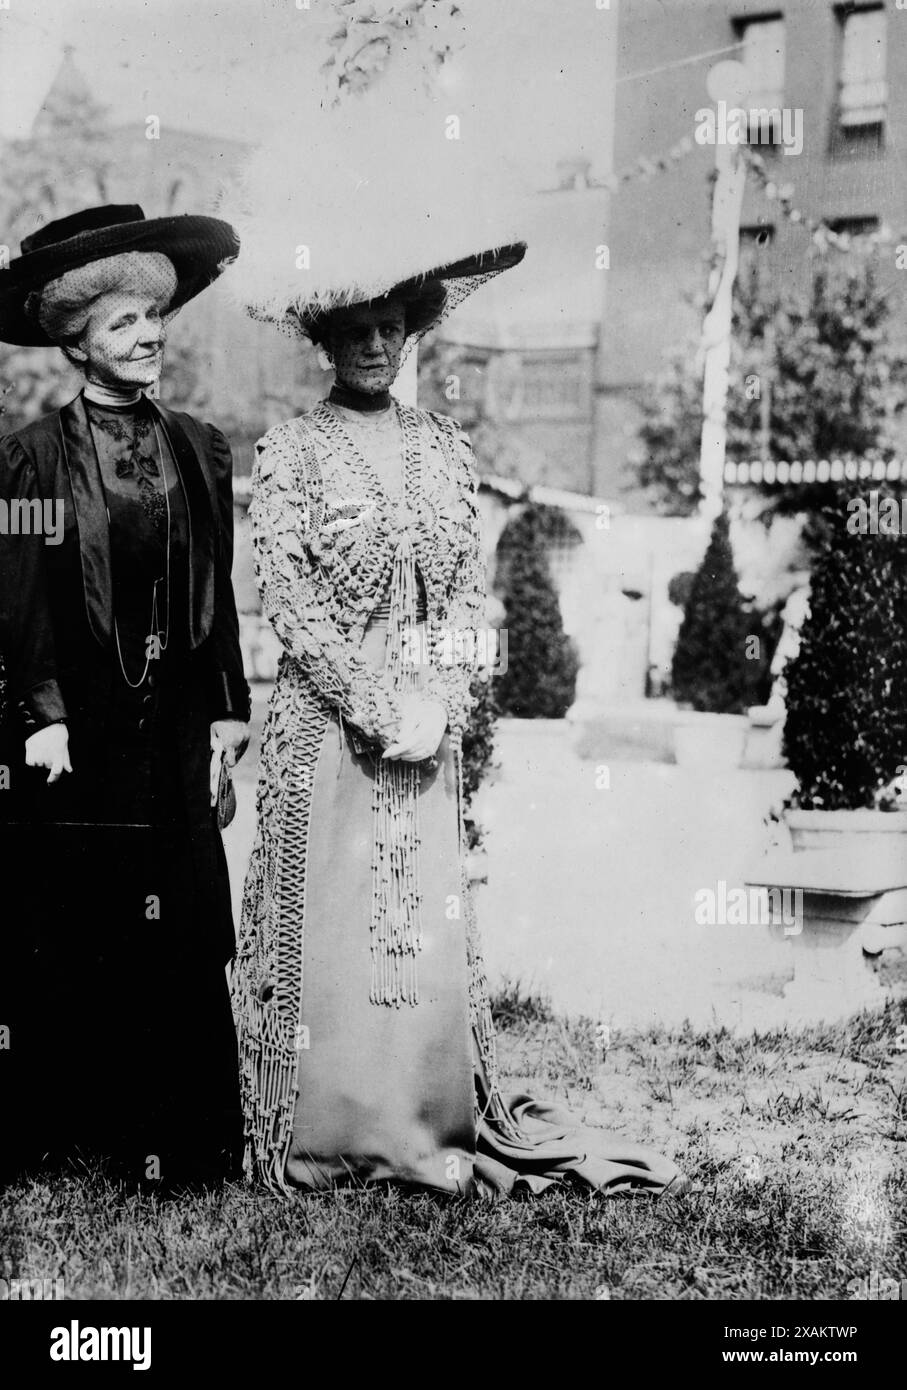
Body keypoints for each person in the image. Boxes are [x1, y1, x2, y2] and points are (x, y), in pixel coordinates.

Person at [231, 250, 689, 1197]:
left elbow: (466, 599)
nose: (372, 343)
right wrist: (371, 701)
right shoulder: (290, 453)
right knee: (336, 930)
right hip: (324, 733)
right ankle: (319, 1130)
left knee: (419, 931)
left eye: (389, 326)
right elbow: (293, 603)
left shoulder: (445, 448)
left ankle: (430, 1114)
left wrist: (439, 699)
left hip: (426, 730)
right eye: (352, 326)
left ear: (410, 333)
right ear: (322, 336)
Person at [0, 204, 251, 1186]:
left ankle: (184, 1136)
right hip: (82, 721)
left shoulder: (201, 447)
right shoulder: (24, 458)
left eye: (154, 316)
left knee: (179, 922)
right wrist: (42, 717)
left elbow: (215, 588)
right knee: (73, 919)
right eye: (120, 324)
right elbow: (12, 599)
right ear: (75, 342)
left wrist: (227, 707)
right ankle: (78, 1130)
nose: (147, 336)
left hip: (175, 720)